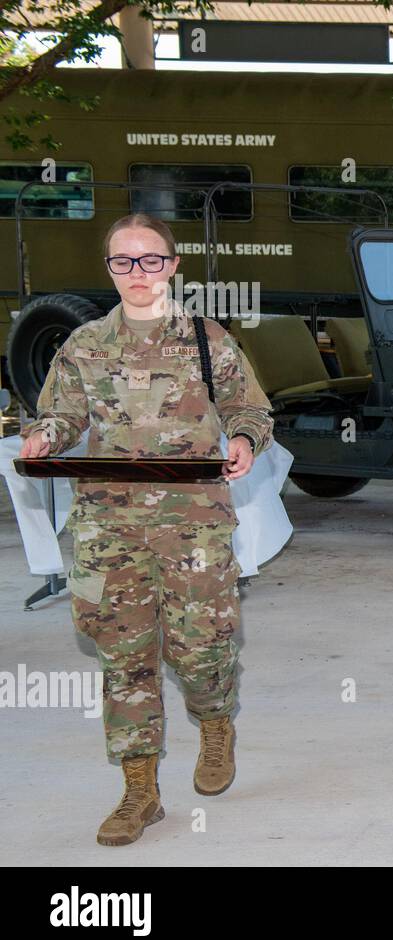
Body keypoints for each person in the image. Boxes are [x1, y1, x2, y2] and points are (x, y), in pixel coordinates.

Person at [19, 212, 274, 846]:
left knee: (202, 649)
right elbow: (61, 414)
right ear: (109, 269)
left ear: (172, 265)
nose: (138, 272)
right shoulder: (84, 346)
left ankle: (215, 722)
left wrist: (243, 438)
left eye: (151, 259)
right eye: (124, 261)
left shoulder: (206, 338)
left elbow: (251, 407)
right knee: (123, 657)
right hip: (110, 528)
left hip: (194, 528)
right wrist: (45, 434)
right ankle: (139, 791)